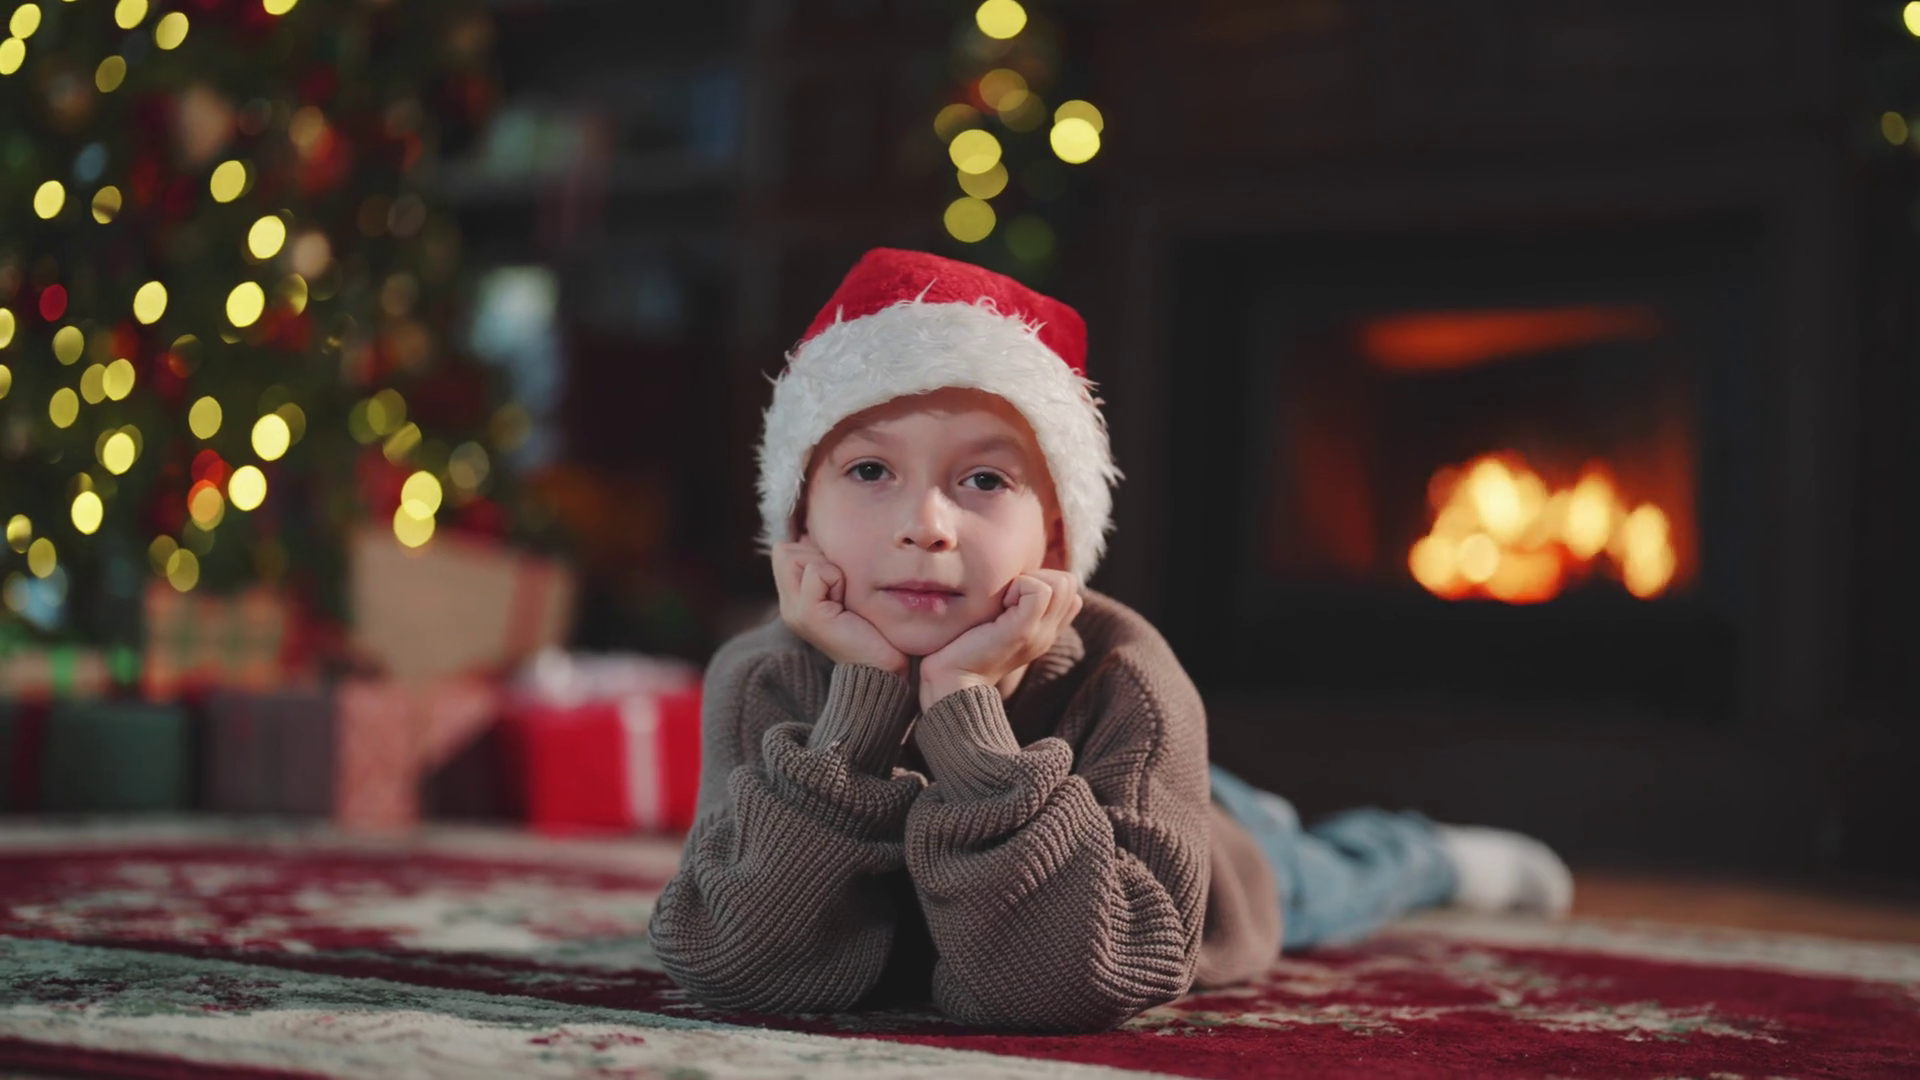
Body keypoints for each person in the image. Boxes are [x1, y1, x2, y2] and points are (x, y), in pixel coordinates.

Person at [648, 248, 1572, 1032]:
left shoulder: (1125, 671)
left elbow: (1086, 977)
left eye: (982, 480)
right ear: (799, 520)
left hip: (1193, 846)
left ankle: (1429, 853)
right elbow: (740, 966)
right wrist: (857, 714)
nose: (927, 523)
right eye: (869, 469)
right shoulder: (764, 673)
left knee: (1318, 873)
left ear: (1054, 539)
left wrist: (966, 709)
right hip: (1078, 806)